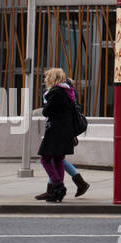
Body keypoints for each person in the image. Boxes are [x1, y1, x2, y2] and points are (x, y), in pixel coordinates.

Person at [37, 67, 81, 203]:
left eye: (47, 77)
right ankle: (58, 192)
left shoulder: (55, 93)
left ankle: (58, 186)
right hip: (66, 131)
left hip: (55, 131)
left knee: (45, 159)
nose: (45, 80)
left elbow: (46, 112)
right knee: (58, 160)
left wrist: (46, 104)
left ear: (52, 78)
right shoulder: (68, 92)